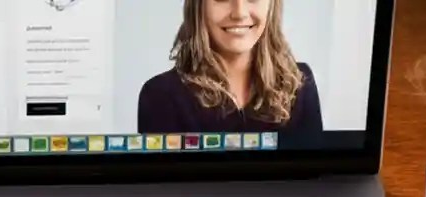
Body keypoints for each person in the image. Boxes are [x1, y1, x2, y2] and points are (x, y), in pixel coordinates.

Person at [137, 0, 323, 140]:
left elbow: (314, 185)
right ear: (198, 6)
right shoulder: (160, 96)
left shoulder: (299, 83)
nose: (239, 13)